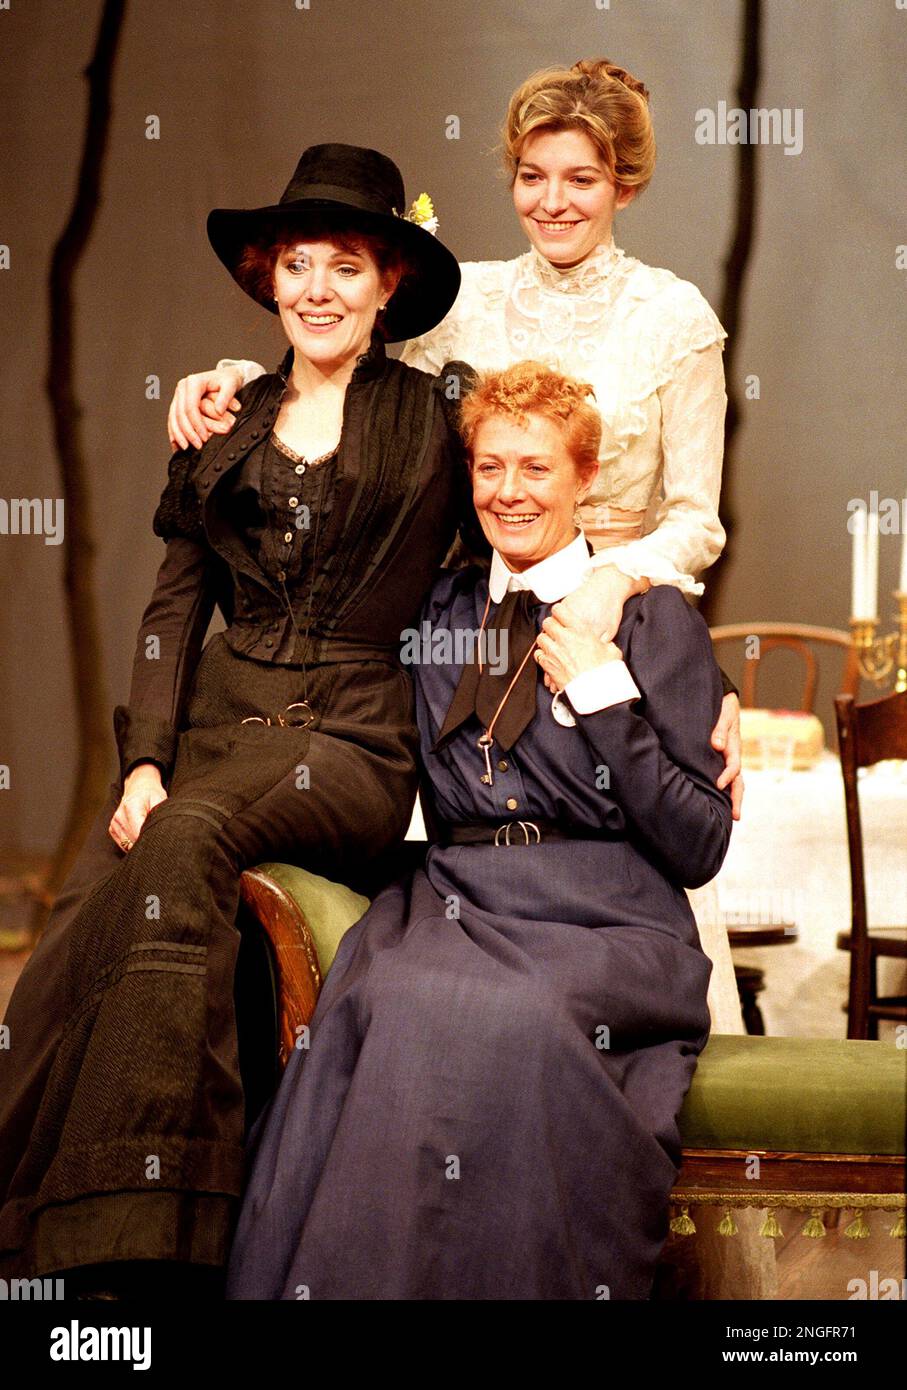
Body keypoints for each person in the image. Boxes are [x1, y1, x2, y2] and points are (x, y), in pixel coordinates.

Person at [0, 143, 470, 1298]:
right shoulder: (225, 419)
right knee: (73, 931)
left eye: (345, 265)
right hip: (213, 728)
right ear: (268, 278)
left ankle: (148, 1240)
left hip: (353, 740)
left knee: (193, 835)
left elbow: (533, 517)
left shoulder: (443, 414)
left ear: (389, 283)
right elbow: (173, 610)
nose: (317, 287)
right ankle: (31, 1242)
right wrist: (144, 760)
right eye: (297, 264)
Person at [225, 362, 733, 1300]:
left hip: (610, 918)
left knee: (516, 1019)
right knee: (386, 1005)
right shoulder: (435, 614)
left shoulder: (653, 622)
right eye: (489, 468)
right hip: (459, 901)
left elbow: (700, 842)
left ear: (585, 477)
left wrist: (600, 688)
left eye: (536, 469)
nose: (509, 492)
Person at [164, 58, 744, 816]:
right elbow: (345, 371)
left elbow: (696, 520)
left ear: (624, 187)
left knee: (629, 843)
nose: (552, 202)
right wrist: (240, 379)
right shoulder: (465, 299)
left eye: (581, 180)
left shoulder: (675, 318)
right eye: (532, 177)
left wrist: (671, 647)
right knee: (463, 851)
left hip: (614, 626)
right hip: (465, 628)